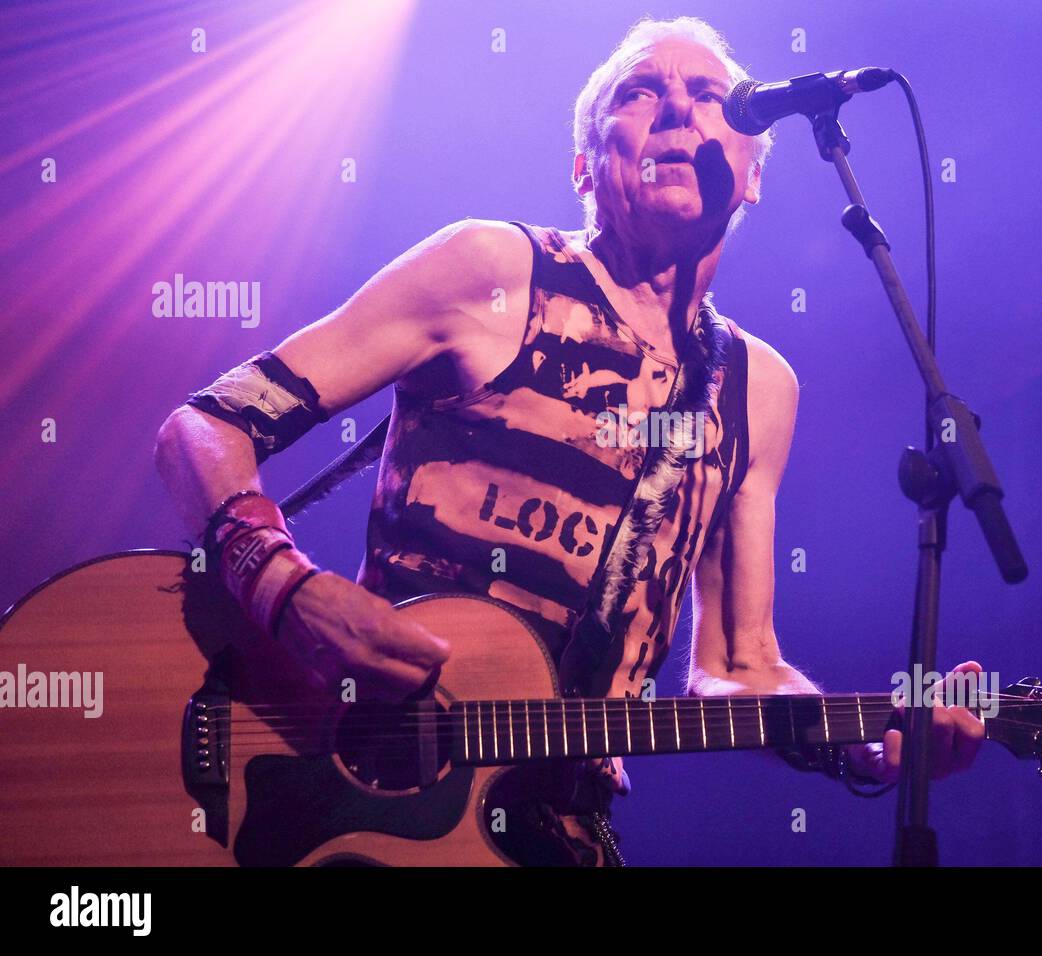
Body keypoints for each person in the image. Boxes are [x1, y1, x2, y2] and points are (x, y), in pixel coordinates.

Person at [154, 16, 983, 866]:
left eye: (709, 97)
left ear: (755, 174)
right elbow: (204, 425)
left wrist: (871, 747)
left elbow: (738, 662)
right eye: (641, 92)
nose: (679, 112)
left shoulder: (758, 388)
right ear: (585, 166)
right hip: (347, 778)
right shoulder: (490, 272)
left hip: (553, 831)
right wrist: (286, 590)